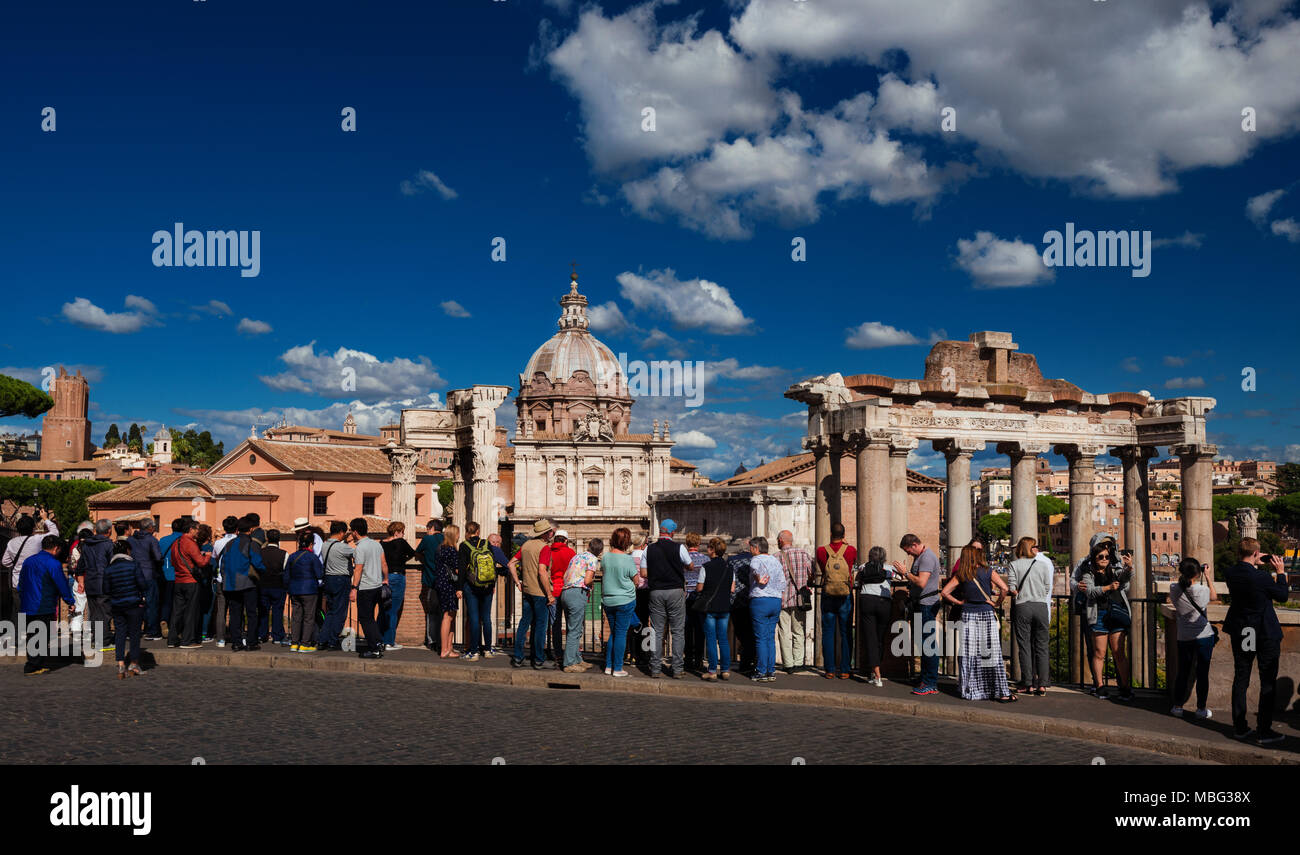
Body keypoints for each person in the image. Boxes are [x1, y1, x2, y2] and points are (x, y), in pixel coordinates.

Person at [1223, 537, 1289, 743]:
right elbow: (1283, 596)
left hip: (1244, 631)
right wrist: (1280, 573)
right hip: (1264, 633)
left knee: (1241, 677)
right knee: (1267, 680)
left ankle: (1240, 727)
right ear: (1255, 553)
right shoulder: (1261, 577)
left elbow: (1245, 569)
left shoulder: (1230, 573)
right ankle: (1264, 730)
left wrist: (1253, 560)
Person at [941, 543, 1014, 702]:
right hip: (986, 613)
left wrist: (959, 603)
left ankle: (971, 690)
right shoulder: (988, 571)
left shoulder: (961, 574)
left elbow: (945, 592)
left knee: (969, 654)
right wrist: (996, 603)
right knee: (990, 653)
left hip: (968, 614)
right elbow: (1004, 589)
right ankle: (998, 690)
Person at [1082, 541, 1133, 701]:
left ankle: (1125, 687)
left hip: (1116, 614)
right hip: (1099, 615)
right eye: (1101, 557)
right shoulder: (1088, 574)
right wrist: (1107, 588)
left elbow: (1124, 579)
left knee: (1119, 653)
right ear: (1094, 558)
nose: (1104, 559)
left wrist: (1129, 567)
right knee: (1099, 653)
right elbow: (1089, 591)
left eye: (1107, 556)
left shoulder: (1114, 571)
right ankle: (1100, 686)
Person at [18, 535, 74, 675]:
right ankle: (33, 666)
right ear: (56, 548)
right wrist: (69, 601)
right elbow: (61, 584)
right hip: (43, 604)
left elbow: (20, 584)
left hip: (27, 604)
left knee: (32, 635)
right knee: (43, 636)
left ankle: (33, 663)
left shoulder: (28, 561)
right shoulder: (53, 564)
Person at [893, 533, 941, 696]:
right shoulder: (921, 557)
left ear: (914, 545)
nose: (908, 554)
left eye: (908, 551)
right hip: (920, 603)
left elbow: (921, 582)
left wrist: (906, 573)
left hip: (926, 604)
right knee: (922, 642)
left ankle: (931, 682)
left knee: (928, 643)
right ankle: (925, 678)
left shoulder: (927, 558)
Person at [1169, 556, 1217, 719]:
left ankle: (1177, 706)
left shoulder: (1174, 588)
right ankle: (1201, 709)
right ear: (1197, 573)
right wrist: (1208, 577)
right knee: (1202, 673)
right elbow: (1214, 597)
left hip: (1183, 636)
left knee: (1183, 672)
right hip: (1203, 635)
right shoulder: (1202, 590)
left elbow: (1180, 587)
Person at [644, 519, 691, 678]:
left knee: (656, 631)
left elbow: (643, 573)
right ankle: (677, 669)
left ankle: (655, 669)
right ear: (672, 533)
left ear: (660, 531)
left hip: (656, 591)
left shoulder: (648, 549)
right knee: (677, 631)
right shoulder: (679, 548)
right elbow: (690, 565)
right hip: (675, 591)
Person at [1007, 536, 1053, 696]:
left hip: (1023, 607)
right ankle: (1042, 684)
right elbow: (1047, 587)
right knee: (1042, 646)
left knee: (1025, 646)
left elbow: (1012, 588)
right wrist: (1038, 594)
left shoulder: (1013, 565)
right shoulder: (1042, 565)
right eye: (1035, 546)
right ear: (1030, 548)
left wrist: (1021, 593)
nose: (1037, 549)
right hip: (1041, 606)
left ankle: (1028, 683)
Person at [1072, 532, 1117, 686]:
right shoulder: (1083, 563)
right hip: (1090, 609)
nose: (1106, 548)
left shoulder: (1114, 560)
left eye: (1108, 545)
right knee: (1093, 649)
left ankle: (1122, 683)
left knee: (1117, 651)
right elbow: (1072, 580)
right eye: (1103, 544)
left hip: (1114, 609)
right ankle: (1096, 683)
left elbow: (1125, 582)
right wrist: (1077, 586)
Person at [508, 520, 554, 669]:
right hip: (540, 592)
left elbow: (510, 563)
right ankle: (539, 659)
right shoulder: (544, 548)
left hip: (527, 590)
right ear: (546, 534)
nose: (551, 534)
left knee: (524, 623)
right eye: (550, 532)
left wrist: (518, 582)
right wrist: (549, 594)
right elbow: (542, 571)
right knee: (540, 626)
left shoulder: (526, 546)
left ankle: (518, 657)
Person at [102, 540, 148, 678]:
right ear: (128, 551)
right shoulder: (133, 565)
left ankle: (121, 664)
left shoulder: (108, 569)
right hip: (133, 603)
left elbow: (105, 589)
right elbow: (142, 584)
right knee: (134, 634)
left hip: (117, 604)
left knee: (120, 633)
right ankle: (134, 663)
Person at [816, 523, 856, 679]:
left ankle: (830, 669)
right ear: (844, 535)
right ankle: (845, 669)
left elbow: (822, 567)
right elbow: (851, 566)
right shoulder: (851, 550)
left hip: (828, 594)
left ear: (830, 533)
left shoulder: (821, 551)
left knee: (828, 632)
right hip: (845, 594)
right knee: (846, 632)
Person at [221, 516, 267, 651]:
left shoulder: (229, 544)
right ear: (251, 529)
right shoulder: (251, 543)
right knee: (251, 613)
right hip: (247, 582)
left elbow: (223, 564)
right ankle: (251, 642)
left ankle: (236, 642)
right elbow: (257, 562)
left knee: (235, 614)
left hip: (230, 583)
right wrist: (263, 571)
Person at [4, 513, 59, 624]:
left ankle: (17, 638)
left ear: (18, 529)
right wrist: (45, 518)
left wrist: (17, 566)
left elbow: (5, 562)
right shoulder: (38, 540)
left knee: (18, 614)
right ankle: (34, 637)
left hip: (18, 584)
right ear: (33, 528)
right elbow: (55, 533)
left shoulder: (11, 543)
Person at [601, 527, 639, 677]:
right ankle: (617, 668)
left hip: (608, 600)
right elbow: (636, 580)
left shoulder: (605, 557)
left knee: (613, 633)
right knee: (621, 634)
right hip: (625, 599)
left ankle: (609, 666)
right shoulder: (627, 559)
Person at [167, 520, 211, 649]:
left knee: (177, 612)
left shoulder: (176, 542)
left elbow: (175, 560)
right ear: (191, 529)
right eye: (197, 529)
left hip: (178, 580)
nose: (198, 531)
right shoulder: (190, 543)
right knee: (191, 611)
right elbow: (201, 563)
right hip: (190, 581)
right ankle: (187, 640)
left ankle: (172, 639)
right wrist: (207, 556)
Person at [349, 517, 388, 659]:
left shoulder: (360, 548)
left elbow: (358, 569)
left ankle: (375, 647)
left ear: (355, 532)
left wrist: (354, 588)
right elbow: (384, 564)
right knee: (371, 618)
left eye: (351, 531)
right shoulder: (376, 544)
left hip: (365, 588)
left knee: (366, 618)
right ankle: (378, 642)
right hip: (378, 586)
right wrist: (386, 579)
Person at [560, 538, 601, 672]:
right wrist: (593, 582)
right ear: (599, 552)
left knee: (576, 628)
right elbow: (588, 579)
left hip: (566, 592)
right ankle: (569, 663)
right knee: (575, 630)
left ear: (589, 546)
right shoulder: (592, 559)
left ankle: (577, 659)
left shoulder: (577, 556)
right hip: (577, 593)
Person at [695, 537, 734, 680]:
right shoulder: (729, 567)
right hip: (724, 606)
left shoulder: (706, 567)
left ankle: (712, 671)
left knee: (711, 639)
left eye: (709, 548)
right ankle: (725, 670)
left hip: (710, 607)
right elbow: (732, 588)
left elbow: (700, 588)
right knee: (723, 639)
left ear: (712, 550)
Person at [775, 530, 813, 675]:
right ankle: (798, 662)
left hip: (782, 599)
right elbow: (812, 573)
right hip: (799, 599)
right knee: (799, 631)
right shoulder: (803, 553)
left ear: (780, 541)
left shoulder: (776, 556)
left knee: (784, 632)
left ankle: (788, 664)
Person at [74, 519, 115, 654]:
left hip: (90, 582)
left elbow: (80, 567)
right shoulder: (109, 545)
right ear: (109, 531)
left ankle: (96, 639)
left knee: (94, 613)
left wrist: (81, 581)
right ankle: (103, 641)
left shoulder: (86, 545)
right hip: (104, 582)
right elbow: (113, 563)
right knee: (104, 612)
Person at [855, 546, 893, 687]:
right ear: (884, 557)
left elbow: (857, 581)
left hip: (867, 601)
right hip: (884, 603)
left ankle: (876, 674)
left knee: (870, 638)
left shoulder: (862, 567)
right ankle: (876, 671)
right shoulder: (888, 569)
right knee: (880, 638)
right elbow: (900, 577)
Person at [747, 536, 784, 682]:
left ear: (756, 548)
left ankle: (761, 671)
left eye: (751, 548)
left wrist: (758, 578)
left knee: (761, 638)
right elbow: (782, 582)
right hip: (775, 600)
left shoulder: (756, 559)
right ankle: (771, 670)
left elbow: (756, 570)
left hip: (760, 600)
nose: (750, 551)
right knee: (770, 637)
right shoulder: (776, 560)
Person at [317, 521, 355, 651]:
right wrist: (350, 542)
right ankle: (333, 641)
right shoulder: (342, 547)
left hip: (328, 579)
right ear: (341, 533)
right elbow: (358, 554)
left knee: (330, 612)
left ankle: (322, 640)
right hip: (341, 580)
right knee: (340, 612)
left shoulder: (324, 545)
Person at [286, 530, 325, 652]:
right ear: (311, 544)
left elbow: (286, 575)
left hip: (294, 590)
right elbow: (319, 574)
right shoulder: (313, 557)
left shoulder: (292, 556)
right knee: (309, 617)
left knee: (296, 617)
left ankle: (294, 643)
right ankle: (305, 644)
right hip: (309, 590)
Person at [380, 522, 416, 650]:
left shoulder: (381, 543)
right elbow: (413, 553)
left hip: (384, 577)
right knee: (393, 610)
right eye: (402, 532)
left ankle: (380, 640)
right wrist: (402, 560)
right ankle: (389, 641)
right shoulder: (401, 542)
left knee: (383, 609)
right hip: (397, 576)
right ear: (397, 532)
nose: (403, 534)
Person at [543, 531, 576, 663]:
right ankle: (569, 653)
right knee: (570, 623)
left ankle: (557, 653)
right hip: (567, 590)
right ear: (566, 540)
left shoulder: (548, 551)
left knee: (555, 624)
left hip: (552, 590)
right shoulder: (571, 553)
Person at [129, 520, 164, 641]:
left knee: (136, 604)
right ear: (149, 528)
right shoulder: (151, 540)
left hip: (134, 574)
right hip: (148, 574)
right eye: (154, 526)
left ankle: (135, 629)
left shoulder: (131, 540)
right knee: (151, 604)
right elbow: (158, 557)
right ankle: (151, 631)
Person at [207, 516, 239, 646]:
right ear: (237, 528)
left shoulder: (218, 543)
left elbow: (214, 558)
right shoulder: (240, 541)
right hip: (236, 579)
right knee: (235, 609)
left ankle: (220, 638)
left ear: (224, 528)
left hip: (221, 579)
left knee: (221, 610)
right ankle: (235, 635)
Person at [414, 519, 444, 651]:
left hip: (432, 581)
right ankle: (445, 641)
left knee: (432, 612)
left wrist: (424, 559)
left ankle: (432, 640)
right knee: (445, 613)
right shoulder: (447, 539)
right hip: (447, 582)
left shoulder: (427, 539)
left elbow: (417, 551)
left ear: (431, 528)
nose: (426, 531)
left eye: (427, 528)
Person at [431, 523, 460, 659]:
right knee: (448, 616)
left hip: (441, 583)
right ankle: (444, 649)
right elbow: (456, 569)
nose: (459, 536)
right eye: (458, 533)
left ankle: (449, 648)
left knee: (450, 616)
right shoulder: (451, 550)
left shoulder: (440, 548)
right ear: (454, 535)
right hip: (449, 584)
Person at [257, 529, 289, 646]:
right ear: (278, 539)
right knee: (277, 611)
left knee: (263, 611)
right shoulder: (284, 554)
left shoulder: (260, 552)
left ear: (267, 538)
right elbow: (286, 570)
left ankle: (262, 634)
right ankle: (277, 636)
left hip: (263, 585)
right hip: (278, 586)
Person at [727, 541, 755, 675]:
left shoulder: (731, 560)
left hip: (736, 601)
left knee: (741, 633)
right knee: (752, 632)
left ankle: (745, 661)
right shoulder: (754, 559)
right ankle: (751, 660)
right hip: (752, 600)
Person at [155, 518, 185, 640]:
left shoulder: (163, 540)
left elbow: (158, 557)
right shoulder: (185, 541)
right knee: (180, 604)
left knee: (166, 601)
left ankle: (164, 619)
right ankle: (177, 627)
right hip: (179, 575)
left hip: (165, 574)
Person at [683, 531, 707, 672]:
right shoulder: (705, 559)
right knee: (700, 629)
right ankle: (699, 659)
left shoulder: (682, 559)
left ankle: (687, 659)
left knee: (687, 628)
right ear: (698, 544)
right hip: (699, 597)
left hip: (685, 596)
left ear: (687, 544)